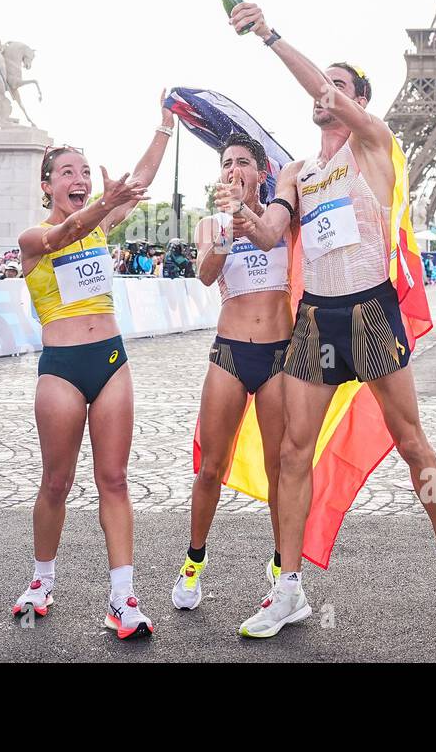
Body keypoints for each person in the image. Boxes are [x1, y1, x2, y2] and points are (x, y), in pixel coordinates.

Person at [219, 0, 436, 638]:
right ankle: (287, 587)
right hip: (317, 316)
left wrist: (269, 36)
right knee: (291, 452)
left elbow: (325, 94)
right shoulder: (296, 171)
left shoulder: (374, 144)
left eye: (338, 86)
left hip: (371, 309)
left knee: (411, 441)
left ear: (359, 102)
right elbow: (272, 231)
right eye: (322, 84)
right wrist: (245, 217)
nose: (324, 93)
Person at [9, 101, 172, 640]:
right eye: (67, 173)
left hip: (110, 362)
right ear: (47, 186)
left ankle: (123, 599)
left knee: (115, 479)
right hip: (60, 369)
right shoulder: (33, 238)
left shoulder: (101, 219)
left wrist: (164, 128)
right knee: (56, 481)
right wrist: (104, 201)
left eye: (84, 170)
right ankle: (41, 579)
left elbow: (141, 180)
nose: (78, 178)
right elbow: (65, 235)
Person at [172, 133, 292, 611]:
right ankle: (194, 561)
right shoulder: (210, 224)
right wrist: (228, 220)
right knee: (210, 467)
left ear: (261, 173)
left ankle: (284, 566)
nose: (234, 169)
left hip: (281, 356)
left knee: (278, 469)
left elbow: (276, 236)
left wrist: (249, 212)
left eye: (244, 162)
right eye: (227, 163)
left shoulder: (283, 220)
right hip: (229, 352)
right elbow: (205, 273)